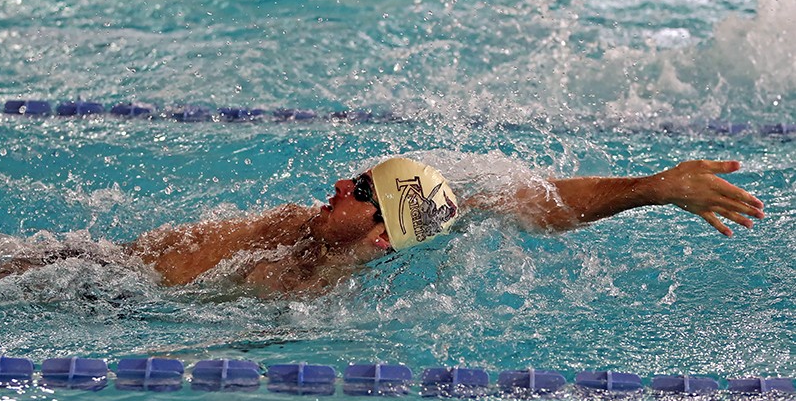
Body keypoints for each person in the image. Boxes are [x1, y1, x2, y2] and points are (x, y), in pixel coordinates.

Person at [124, 157, 764, 295]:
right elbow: (526, 197)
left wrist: (651, 192)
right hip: (96, 278)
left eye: (362, 190)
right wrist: (649, 187)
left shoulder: (307, 278)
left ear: (382, 235)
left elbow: (530, 205)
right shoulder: (292, 237)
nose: (340, 186)